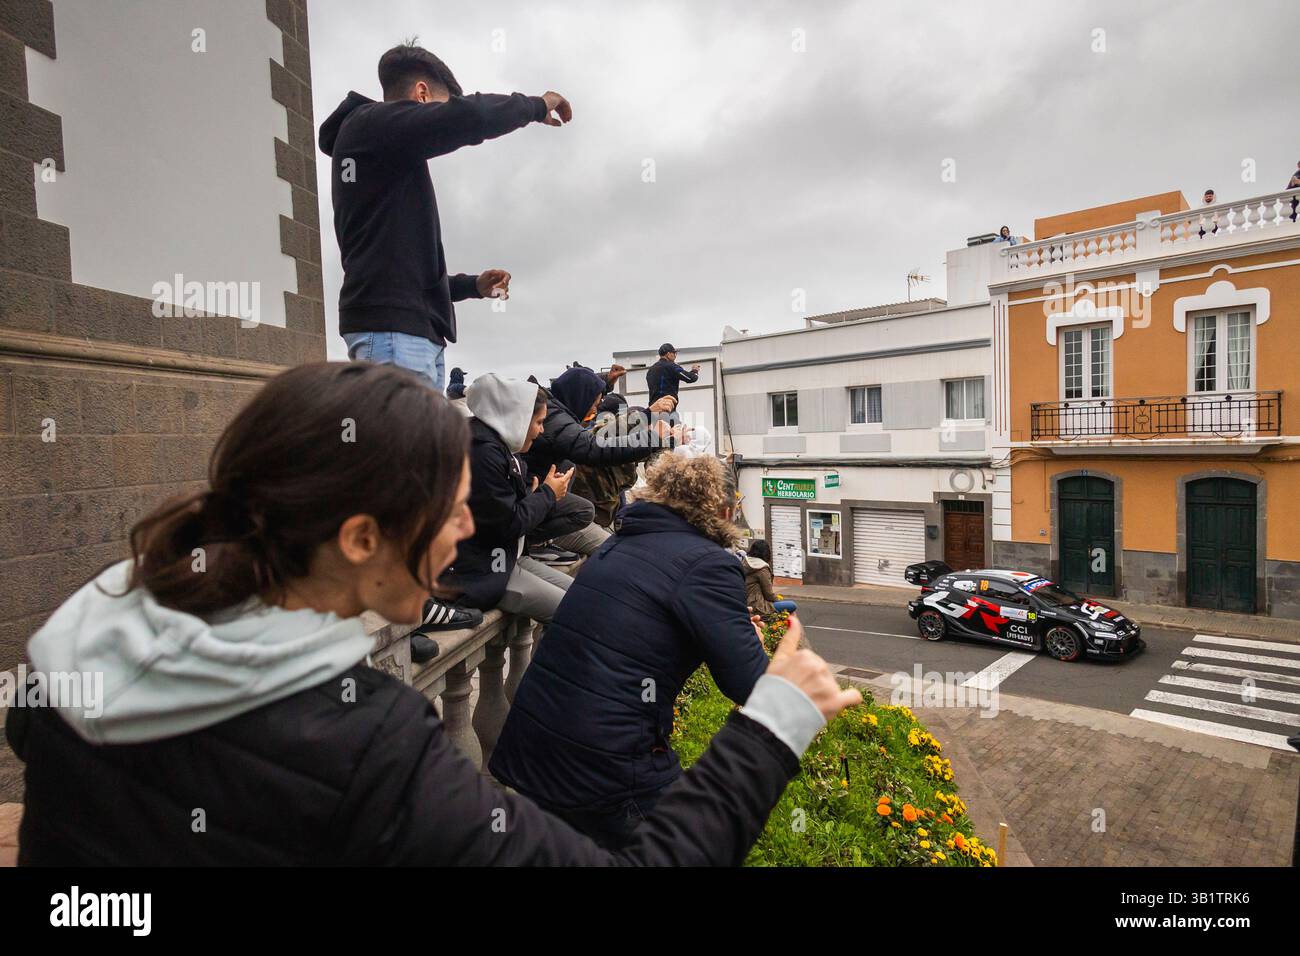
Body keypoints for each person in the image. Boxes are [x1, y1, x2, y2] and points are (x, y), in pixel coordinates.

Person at [4, 362, 859, 866]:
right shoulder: (363, 748)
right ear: (362, 536)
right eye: (449, 510)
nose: (469, 529)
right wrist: (776, 720)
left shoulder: (86, 631)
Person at [490, 454, 815, 848]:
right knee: (689, 849)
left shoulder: (617, 546)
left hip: (537, 747)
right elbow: (751, 685)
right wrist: (760, 648)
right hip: (605, 766)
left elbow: (642, 624)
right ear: (724, 511)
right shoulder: (711, 564)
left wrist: (723, 625)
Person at [318, 42, 572, 390]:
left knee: (420, 445)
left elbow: (405, 274)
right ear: (421, 94)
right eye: (441, 106)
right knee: (407, 445)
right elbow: (469, 117)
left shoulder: (386, 155)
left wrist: (473, 286)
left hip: (408, 332)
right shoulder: (368, 125)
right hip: (394, 333)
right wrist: (536, 105)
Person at [441, 374, 581, 625]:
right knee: (574, 611)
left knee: (582, 597)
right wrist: (548, 494)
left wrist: (539, 494)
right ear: (517, 418)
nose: (541, 431)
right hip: (483, 571)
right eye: (538, 422)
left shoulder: (491, 445)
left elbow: (498, 512)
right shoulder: (484, 453)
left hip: (501, 560)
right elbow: (506, 524)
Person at [523, 365, 678, 555]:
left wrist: (606, 380)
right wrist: (652, 435)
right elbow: (596, 445)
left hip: (551, 505)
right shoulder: (558, 420)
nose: (596, 409)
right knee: (611, 548)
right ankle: (529, 540)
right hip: (538, 508)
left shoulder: (558, 413)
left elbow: (580, 386)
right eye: (595, 404)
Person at [741, 538, 797, 620]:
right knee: (792, 605)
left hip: (743, 603)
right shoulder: (762, 568)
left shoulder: (744, 563)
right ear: (766, 553)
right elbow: (769, 594)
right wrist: (778, 601)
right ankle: (784, 629)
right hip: (758, 606)